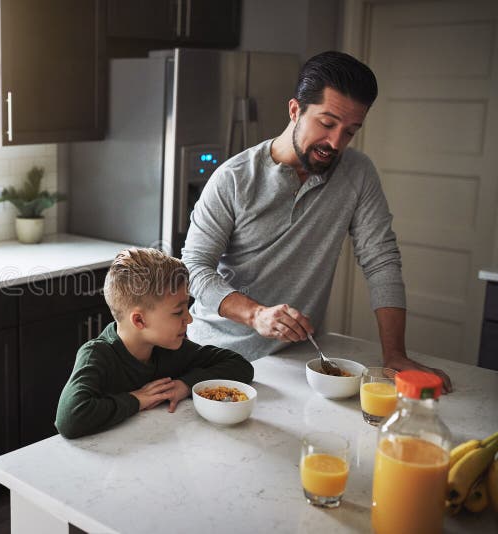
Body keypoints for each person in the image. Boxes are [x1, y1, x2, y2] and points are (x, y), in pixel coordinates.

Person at [181, 50, 452, 391]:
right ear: (295, 110)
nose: (336, 142)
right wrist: (256, 315)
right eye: (327, 123)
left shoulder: (358, 174)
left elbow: (381, 260)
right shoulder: (233, 178)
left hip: (299, 362)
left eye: (350, 131)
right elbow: (193, 268)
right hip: (213, 359)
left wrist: (394, 354)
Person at [55, 248, 254, 439]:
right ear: (139, 320)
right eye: (178, 312)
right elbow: (69, 420)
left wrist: (185, 384)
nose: (189, 319)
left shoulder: (170, 347)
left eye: (187, 307)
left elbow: (240, 366)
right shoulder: (97, 355)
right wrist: (137, 399)